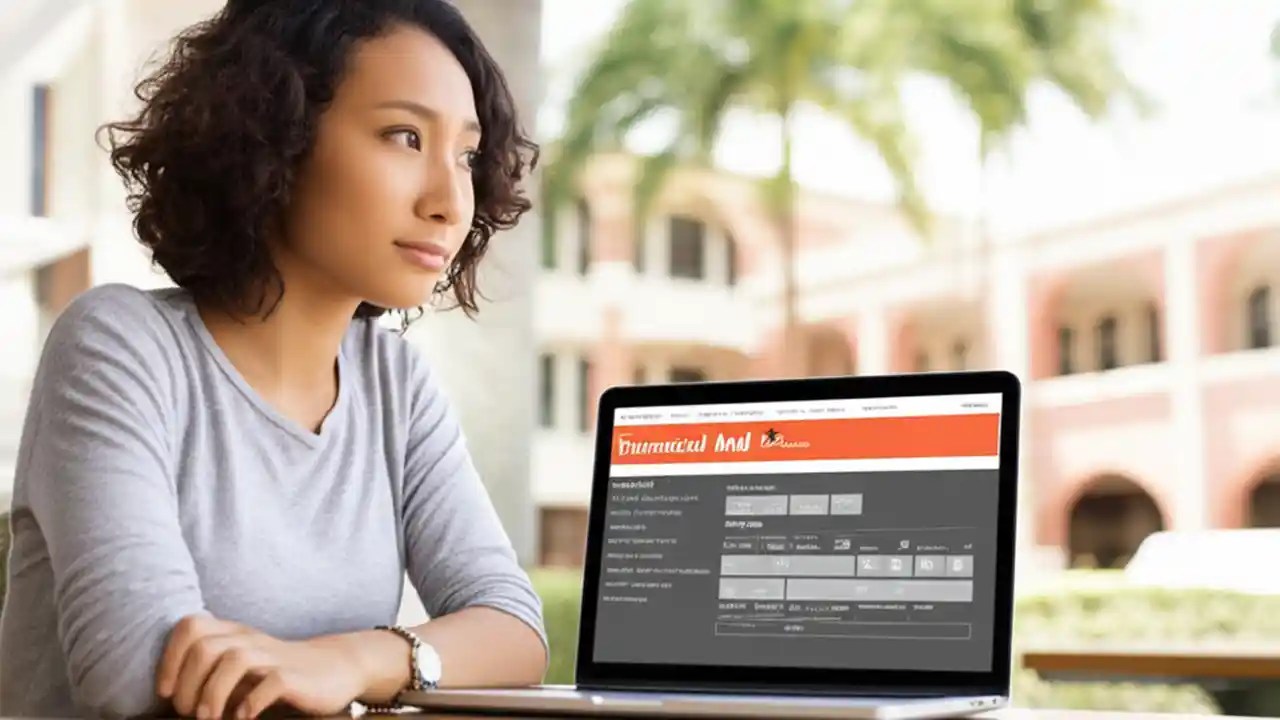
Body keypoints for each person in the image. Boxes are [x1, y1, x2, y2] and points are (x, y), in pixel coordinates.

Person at [0, 0, 548, 717]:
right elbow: (137, 678)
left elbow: (514, 634)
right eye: (404, 136)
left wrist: (347, 662)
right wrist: (393, 669)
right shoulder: (118, 345)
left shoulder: (396, 385)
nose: (450, 200)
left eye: (467, 155)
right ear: (275, 135)